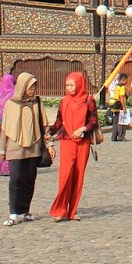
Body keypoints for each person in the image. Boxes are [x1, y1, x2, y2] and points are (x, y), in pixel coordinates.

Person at [0, 72, 48, 225]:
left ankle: (25, 209)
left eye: (34, 87)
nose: (33, 90)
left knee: (29, 180)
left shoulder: (37, 102)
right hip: (15, 147)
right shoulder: (11, 104)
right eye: (30, 87)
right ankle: (13, 212)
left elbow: (44, 125)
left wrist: (49, 144)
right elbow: (5, 128)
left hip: (33, 146)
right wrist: (1, 149)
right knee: (16, 179)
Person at [49, 72, 96, 221]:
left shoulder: (89, 101)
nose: (69, 88)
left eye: (72, 85)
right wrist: (47, 132)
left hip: (83, 142)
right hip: (67, 140)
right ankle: (60, 209)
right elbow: (58, 122)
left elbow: (93, 121)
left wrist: (83, 129)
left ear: (79, 84)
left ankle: (72, 210)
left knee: (78, 175)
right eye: (67, 85)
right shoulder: (64, 102)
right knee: (66, 174)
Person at [0, 73, 17, 177]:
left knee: (1, 143)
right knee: (9, 144)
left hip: (1, 122)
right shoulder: (13, 94)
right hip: (11, 122)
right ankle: (8, 168)